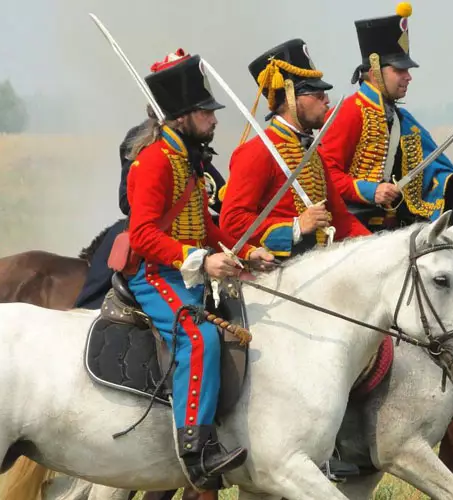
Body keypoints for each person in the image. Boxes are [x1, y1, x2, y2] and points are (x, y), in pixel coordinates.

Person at [125, 52, 276, 490]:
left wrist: (246, 253)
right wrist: (201, 260)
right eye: (207, 113)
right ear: (184, 116)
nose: (213, 120)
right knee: (199, 335)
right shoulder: (154, 161)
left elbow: (206, 227)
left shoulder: (186, 159)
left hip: (185, 272)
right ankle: (197, 449)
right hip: (154, 274)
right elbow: (142, 235)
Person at [316, 2, 453, 236]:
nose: (408, 77)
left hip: (396, 229)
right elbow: (324, 175)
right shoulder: (349, 111)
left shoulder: (403, 119)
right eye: (399, 70)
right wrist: (369, 190)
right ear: (376, 68)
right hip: (354, 230)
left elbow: (431, 164)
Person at [73, 49, 228, 310]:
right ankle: (87, 307)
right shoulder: (145, 144)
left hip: (185, 239)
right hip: (150, 225)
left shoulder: (188, 149)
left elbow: (211, 186)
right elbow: (127, 201)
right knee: (102, 280)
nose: (213, 120)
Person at [219, 38, 370, 260]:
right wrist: (295, 227)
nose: (327, 100)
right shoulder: (258, 151)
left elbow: (340, 219)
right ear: (291, 97)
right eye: (318, 95)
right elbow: (232, 222)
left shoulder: (311, 152)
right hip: (276, 267)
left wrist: (377, 247)